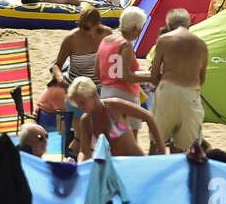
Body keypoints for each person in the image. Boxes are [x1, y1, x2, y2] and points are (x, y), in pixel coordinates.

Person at [148, 9, 207, 156]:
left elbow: (154, 74)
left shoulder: (164, 40)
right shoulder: (201, 44)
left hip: (167, 90)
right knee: (187, 148)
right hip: (190, 94)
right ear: (189, 24)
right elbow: (201, 79)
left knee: (156, 142)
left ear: (169, 25)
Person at [66, 76, 162, 159]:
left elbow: (149, 117)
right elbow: (84, 151)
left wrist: (161, 148)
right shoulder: (86, 120)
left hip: (133, 160)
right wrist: (80, 163)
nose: (80, 107)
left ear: (94, 94)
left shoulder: (114, 106)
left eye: (82, 102)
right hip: (112, 167)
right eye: (77, 104)